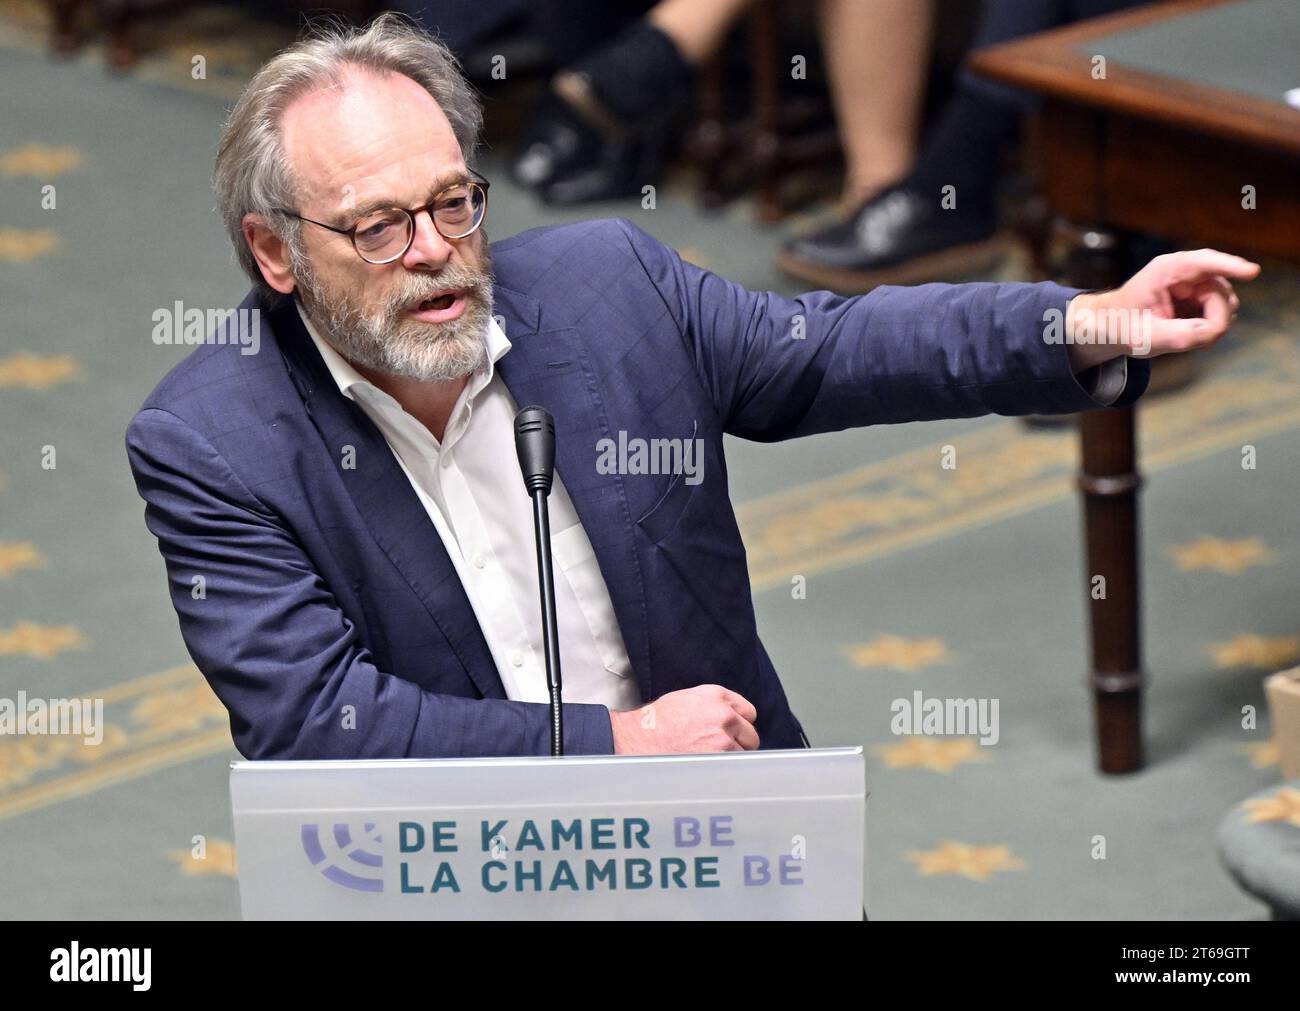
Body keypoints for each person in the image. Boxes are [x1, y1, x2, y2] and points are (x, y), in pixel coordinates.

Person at [125, 14, 1256, 760]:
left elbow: (837, 350)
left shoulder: (608, 289)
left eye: (453, 202)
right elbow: (317, 725)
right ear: (273, 253)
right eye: (377, 226)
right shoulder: (215, 441)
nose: (433, 249)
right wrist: (615, 746)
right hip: (453, 874)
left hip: (726, 831)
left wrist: (1079, 320)